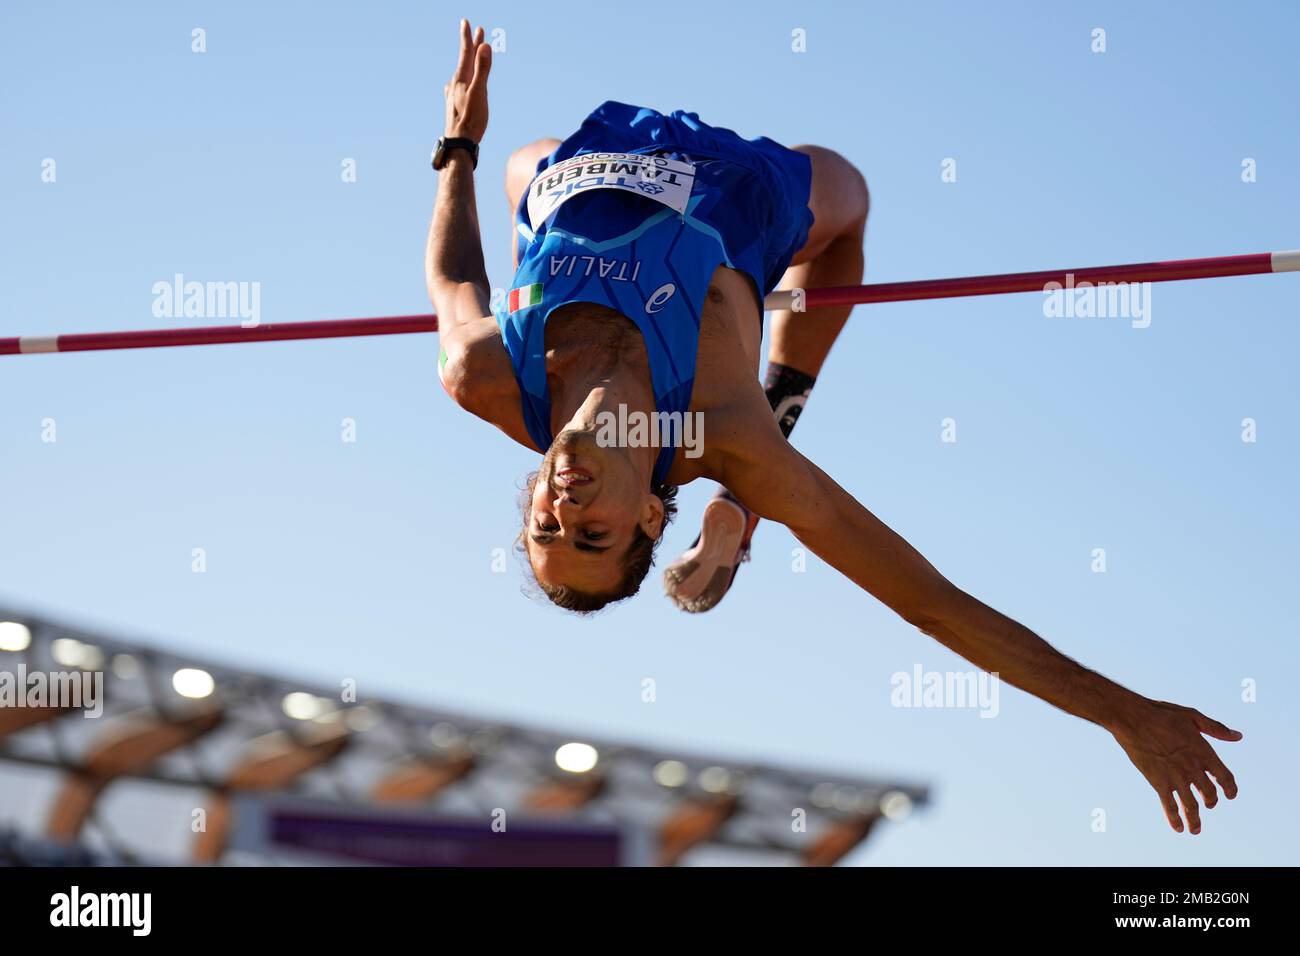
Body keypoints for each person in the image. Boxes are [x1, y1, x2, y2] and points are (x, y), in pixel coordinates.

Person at [425, 20, 1240, 834]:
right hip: (734, 194)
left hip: (582, 168)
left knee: (511, 165)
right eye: (591, 536)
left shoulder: (487, 375)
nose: (564, 512)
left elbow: (457, 277)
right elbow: (933, 605)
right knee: (850, 201)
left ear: (532, 489)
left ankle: (736, 514)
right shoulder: (721, 424)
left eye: (544, 525)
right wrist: (1121, 712)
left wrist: (455, 146)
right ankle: (774, 427)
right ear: (645, 515)